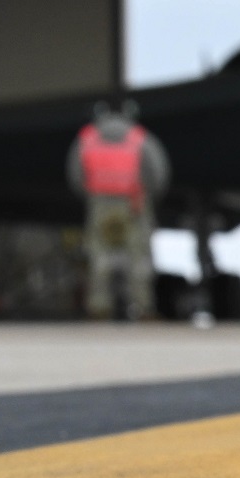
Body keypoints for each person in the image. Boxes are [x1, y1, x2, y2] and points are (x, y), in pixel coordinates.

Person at [67, 100, 171, 320]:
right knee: (138, 256)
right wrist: (147, 197)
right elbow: (158, 173)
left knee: (99, 255)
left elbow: (76, 174)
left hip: (100, 204)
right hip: (134, 203)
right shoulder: (140, 139)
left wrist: (92, 197)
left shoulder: (87, 139)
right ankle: (144, 307)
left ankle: (99, 307)